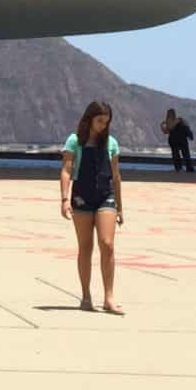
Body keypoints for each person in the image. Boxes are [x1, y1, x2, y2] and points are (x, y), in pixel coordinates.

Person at [60, 100, 126, 314]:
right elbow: (67, 170)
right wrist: (64, 199)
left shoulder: (111, 143)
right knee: (85, 248)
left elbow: (116, 176)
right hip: (82, 197)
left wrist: (120, 206)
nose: (103, 126)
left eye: (106, 122)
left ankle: (109, 297)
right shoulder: (74, 141)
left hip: (105, 196)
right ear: (89, 119)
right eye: (99, 121)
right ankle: (86, 296)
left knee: (107, 244)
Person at [163, 108, 195, 172]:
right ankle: (187, 168)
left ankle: (180, 168)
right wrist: (161, 125)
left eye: (169, 114)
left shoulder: (176, 120)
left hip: (177, 140)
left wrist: (165, 124)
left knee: (177, 155)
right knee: (184, 154)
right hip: (179, 140)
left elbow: (169, 129)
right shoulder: (176, 121)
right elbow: (166, 131)